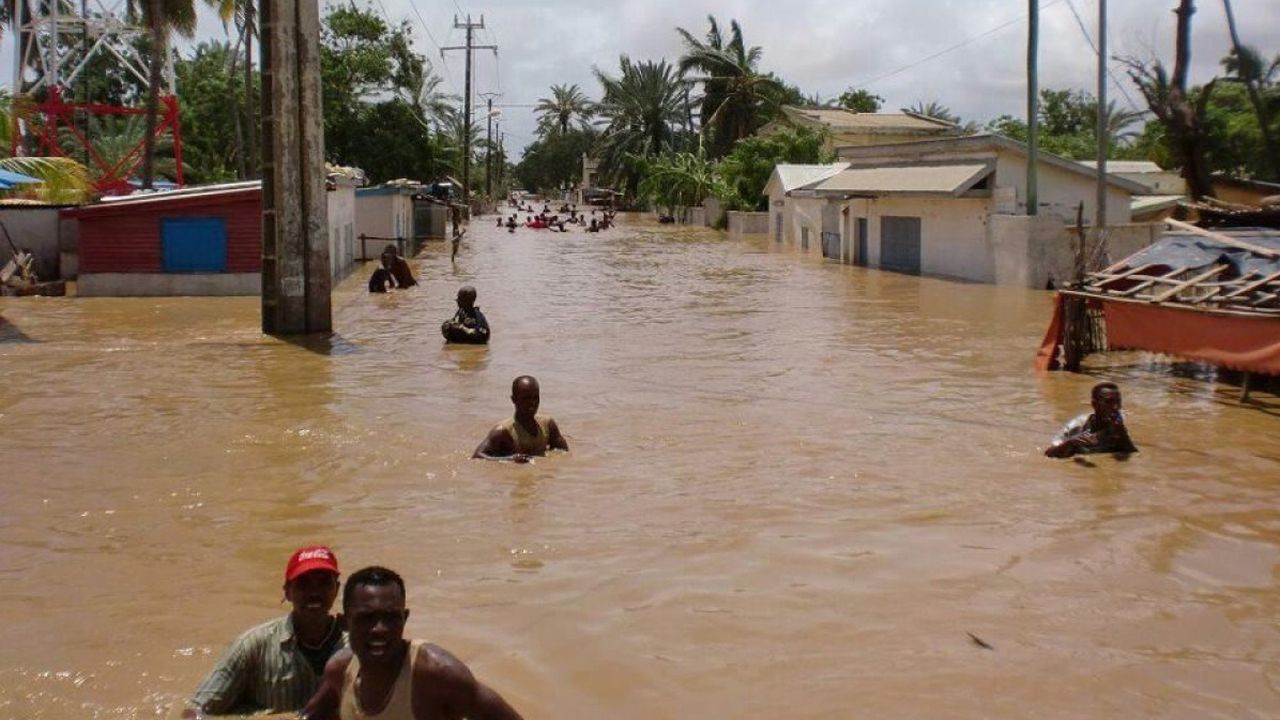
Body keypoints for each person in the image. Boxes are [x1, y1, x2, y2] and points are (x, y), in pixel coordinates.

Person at [299, 566, 524, 720]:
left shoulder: (438, 674)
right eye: (366, 618)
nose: (379, 629)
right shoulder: (340, 671)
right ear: (343, 623)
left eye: (391, 617)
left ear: (404, 619)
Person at [184, 546, 345, 718]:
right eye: (304, 583)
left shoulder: (357, 648)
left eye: (323, 582)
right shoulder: (253, 645)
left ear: (336, 588)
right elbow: (195, 711)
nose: (314, 592)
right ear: (288, 592)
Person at [473, 376, 569, 462]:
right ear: (514, 400)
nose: (532, 403)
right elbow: (477, 457)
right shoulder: (503, 431)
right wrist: (509, 459)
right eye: (526, 398)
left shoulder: (548, 425)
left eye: (535, 397)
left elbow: (564, 453)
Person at [1045, 381, 1138, 458]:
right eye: (1109, 402)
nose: (1115, 407)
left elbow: (1133, 454)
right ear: (1094, 404)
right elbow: (1049, 453)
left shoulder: (1119, 424)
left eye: (1118, 401)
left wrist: (1121, 432)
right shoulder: (1078, 425)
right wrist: (1071, 442)